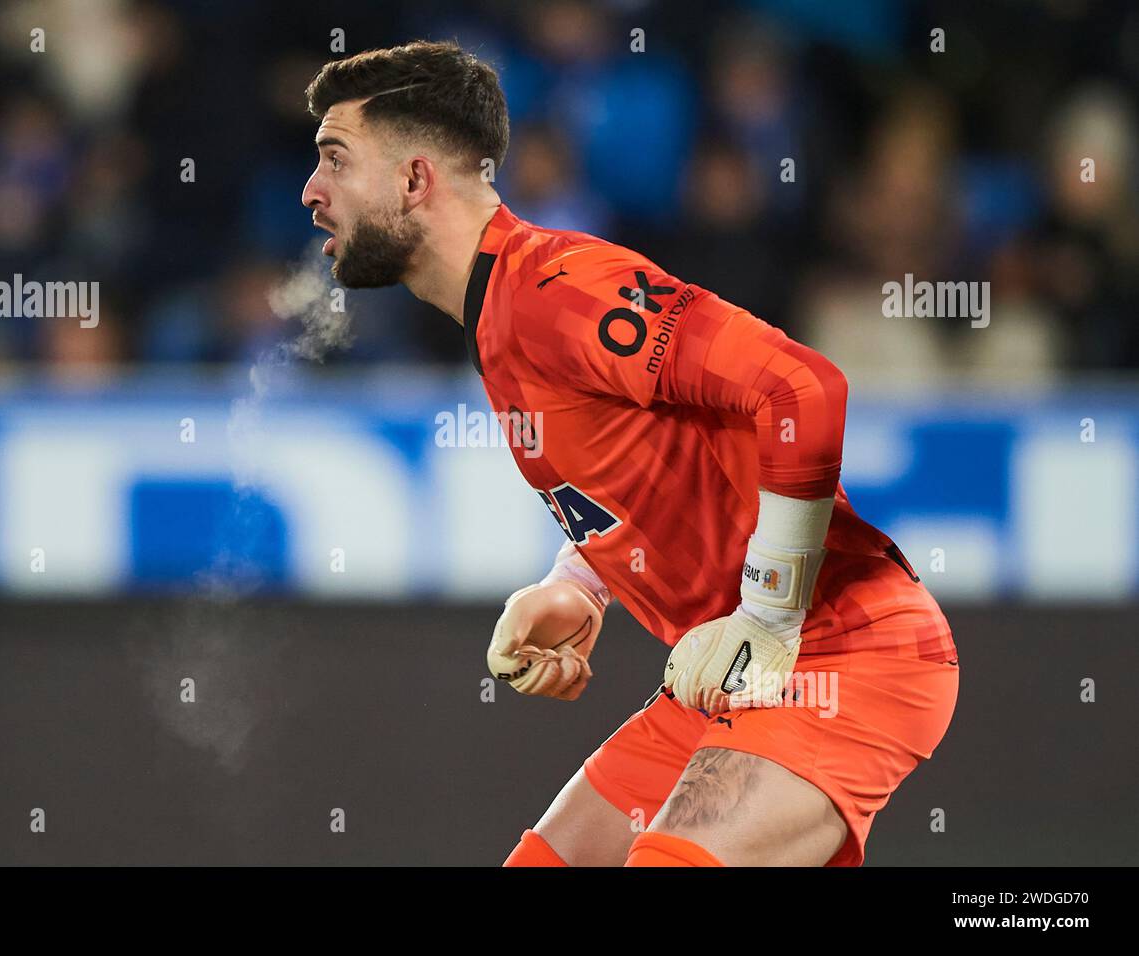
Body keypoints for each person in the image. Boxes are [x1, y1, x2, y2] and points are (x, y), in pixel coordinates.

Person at [300, 39, 958, 867]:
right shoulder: (503, 316)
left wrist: (768, 612)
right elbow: (647, 469)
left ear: (414, 179)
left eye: (334, 159)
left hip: (842, 650)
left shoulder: (557, 291)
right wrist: (580, 582)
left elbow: (803, 389)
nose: (311, 191)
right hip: (737, 679)